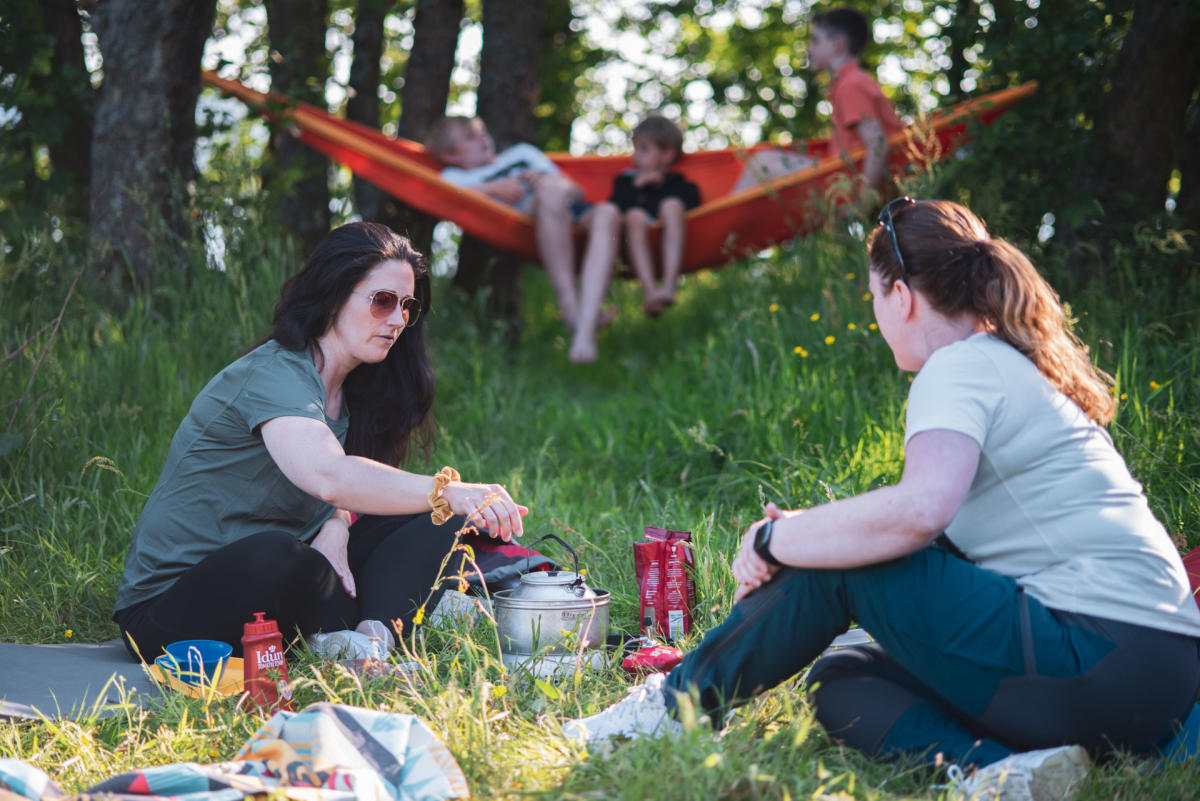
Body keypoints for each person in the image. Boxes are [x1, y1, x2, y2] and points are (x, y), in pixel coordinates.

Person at [564, 200, 1200, 801]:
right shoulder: (1006, 365)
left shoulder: (961, 365)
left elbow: (918, 514)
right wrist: (807, 542)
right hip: (1146, 686)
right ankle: (999, 772)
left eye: (872, 297)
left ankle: (674, 707)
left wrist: (772, 541)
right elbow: (935, 541)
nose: (875, 314)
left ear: (901, 296)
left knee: (846, 559)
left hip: (1097, 652)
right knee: (844, 680)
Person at [113, 222, 527, 663]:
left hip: (296, 571)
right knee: (281, 553)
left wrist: (336, 524)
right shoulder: (275, 373)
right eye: (382, 301)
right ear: (333, 294)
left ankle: (372, 641)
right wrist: (448, 489)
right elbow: (327, 475)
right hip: (170, 608)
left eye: (407, 306)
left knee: (439, 517)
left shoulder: (363, 390)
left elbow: (355, 490)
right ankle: (353, 628)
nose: (397, 320)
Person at [426, 116, 621, 363]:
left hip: (572, 212)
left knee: (608, 213)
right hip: (532, 220)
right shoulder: (455, 177)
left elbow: (576, 191)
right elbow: (447, 196)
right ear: (451, 155)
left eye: (482, 131)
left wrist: (549, 183)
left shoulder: (522, 153)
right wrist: (494, 188)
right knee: (550, 196)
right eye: (470, 137)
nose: (483, 138)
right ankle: (575, 316)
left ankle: (584, 317)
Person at [732, 7, 904, 205]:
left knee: (763, 162)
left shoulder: (852, 85)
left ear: (837, 45)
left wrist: (863, 205)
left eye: (816, 40)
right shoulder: (850, 83)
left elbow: (878, 145)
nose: (809, 48)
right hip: (844, 175)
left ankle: (721, 227)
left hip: (847, 182)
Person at [609, 115, 701, 316]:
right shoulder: (625, 182)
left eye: (644, 149)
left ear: (667, 154)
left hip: (673, 231)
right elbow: (614, 210)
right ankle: (650, 291)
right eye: (635, 148)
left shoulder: (678, 183)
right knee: (634, 215)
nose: (635, 156)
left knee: (672, 205)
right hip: (635, 235)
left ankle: (669, 285)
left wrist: (659, 184)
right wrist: (638, 186)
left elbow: (695, 204)